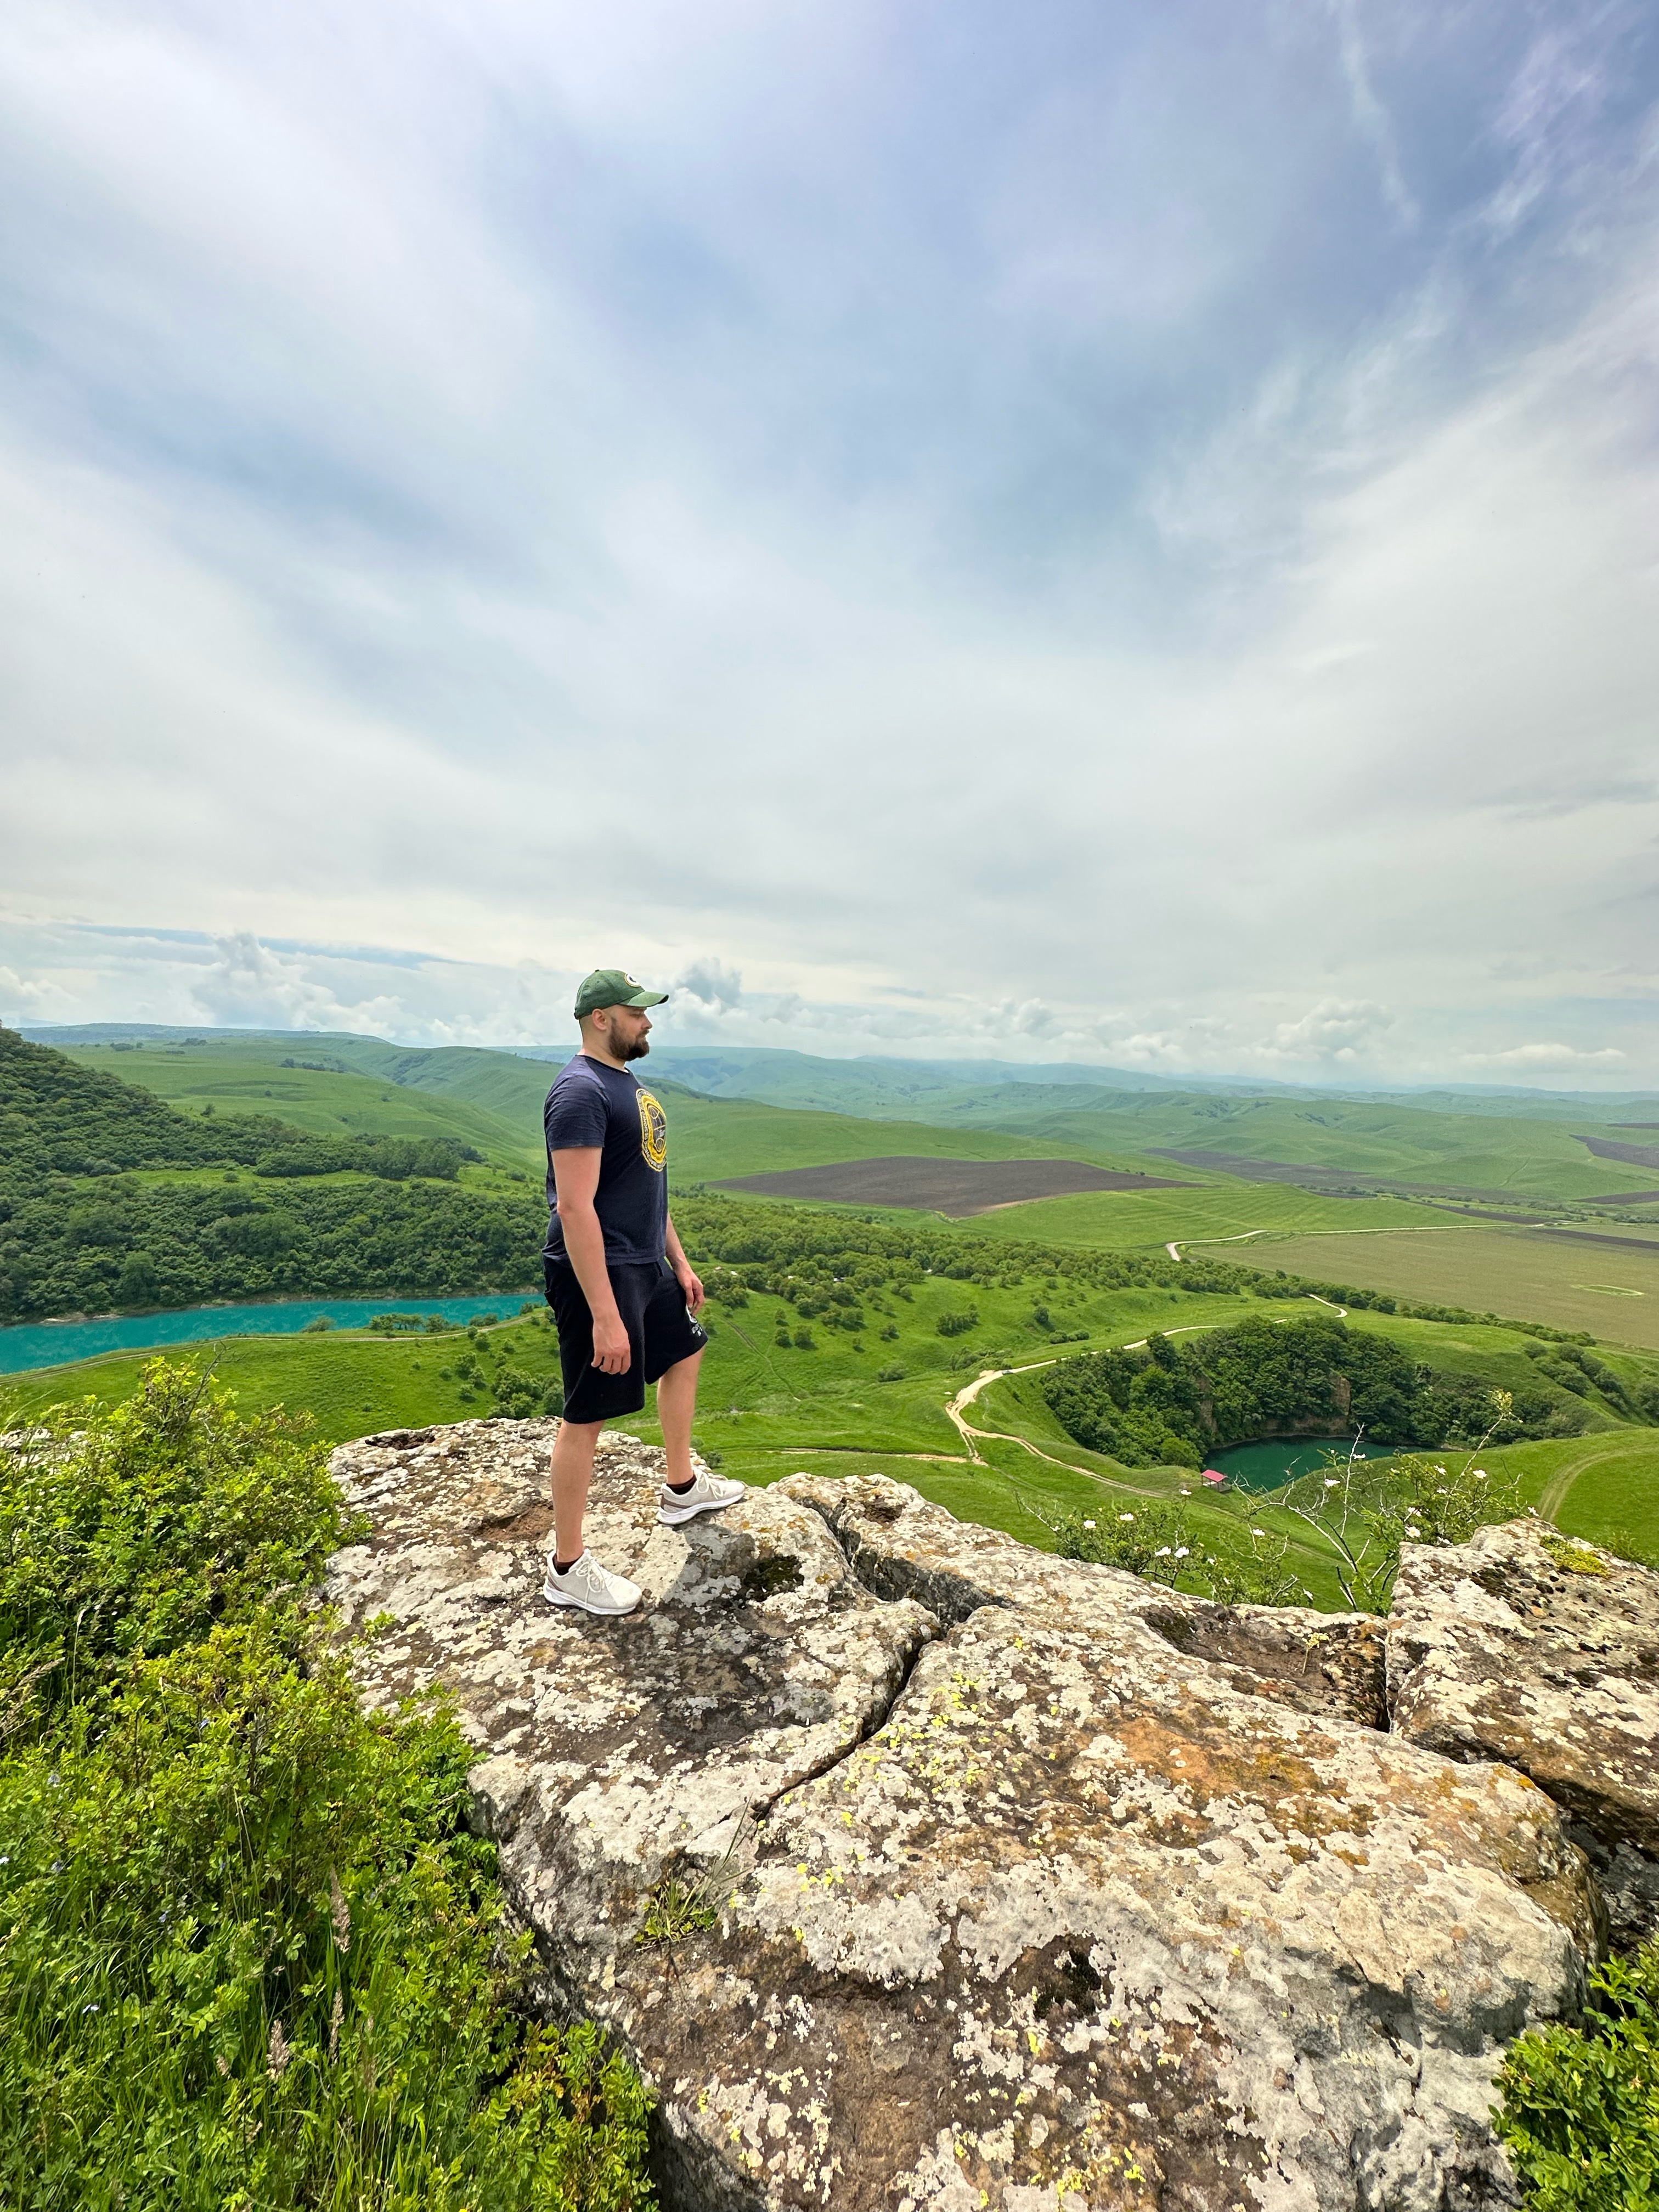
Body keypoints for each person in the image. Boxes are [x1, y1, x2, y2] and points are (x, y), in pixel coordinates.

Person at [540, 967, 744, 1616]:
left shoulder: (626, 1085)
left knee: (686, 1352)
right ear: (602, 1017)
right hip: (600, 1271)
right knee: (587, 1414)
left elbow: (648, 1187)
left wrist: (677, 1262)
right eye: (638, 1013)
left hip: (644, 1262)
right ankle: (567, 1567)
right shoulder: (579, 1092)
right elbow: (575, 1208)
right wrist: (604, 1313)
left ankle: (681, 1487)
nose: (649, 1022)